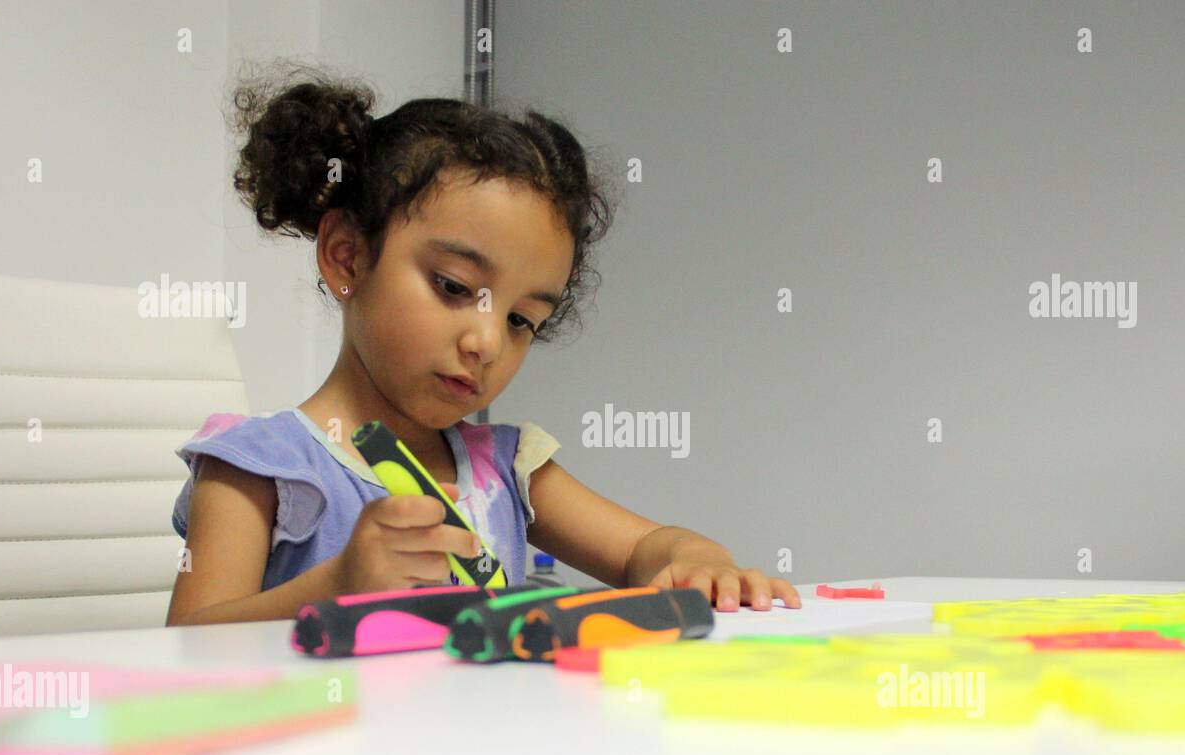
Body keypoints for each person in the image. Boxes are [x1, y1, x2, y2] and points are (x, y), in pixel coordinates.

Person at [166, 62, 800, 626]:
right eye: (454, 285)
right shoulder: (261, 468)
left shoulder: (510, 469)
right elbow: (186, 647)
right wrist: (334, 589)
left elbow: (643, 550)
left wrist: (695, 559)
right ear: (347, 255)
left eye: (523, 320)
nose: (488, 341)